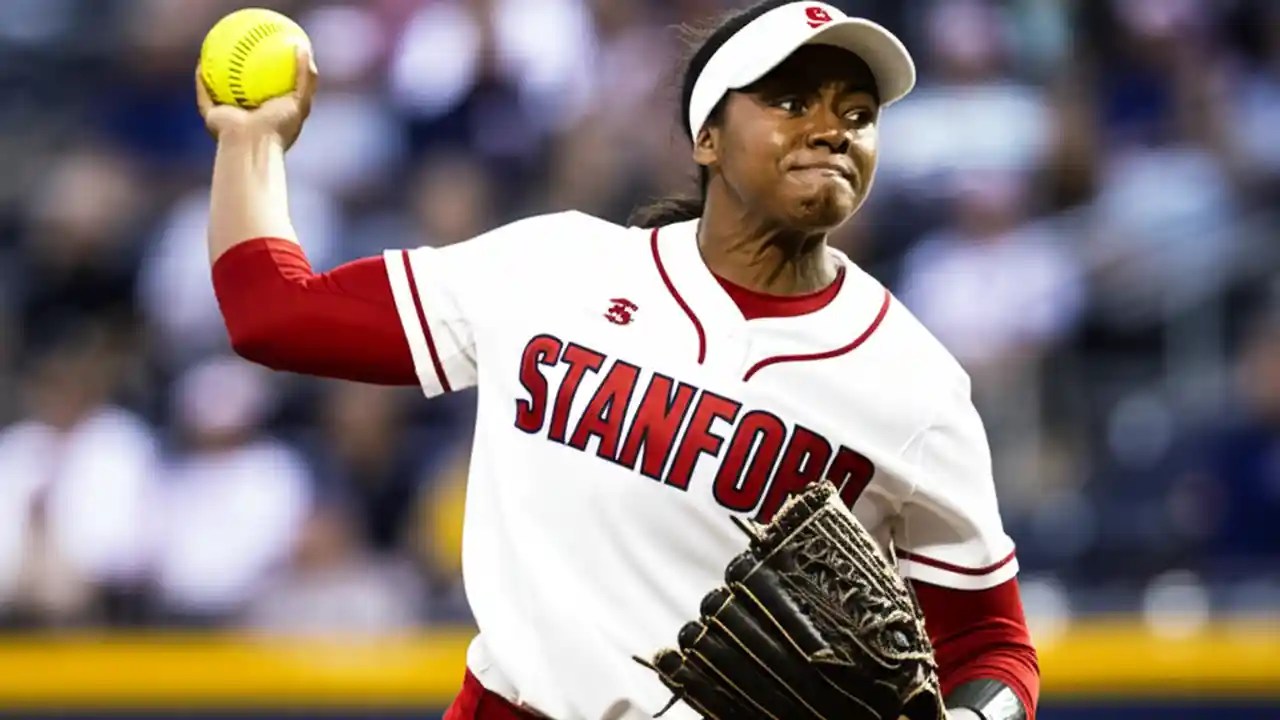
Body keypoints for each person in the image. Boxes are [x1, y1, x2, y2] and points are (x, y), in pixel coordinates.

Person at [195, 1, 1039, 718]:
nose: (830, 130)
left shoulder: (913, 384)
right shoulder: (555, 267)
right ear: (708, 138)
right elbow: (277, 316)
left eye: (857, 113)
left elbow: (993, 644)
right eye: (790, 102)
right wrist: (249, 141)